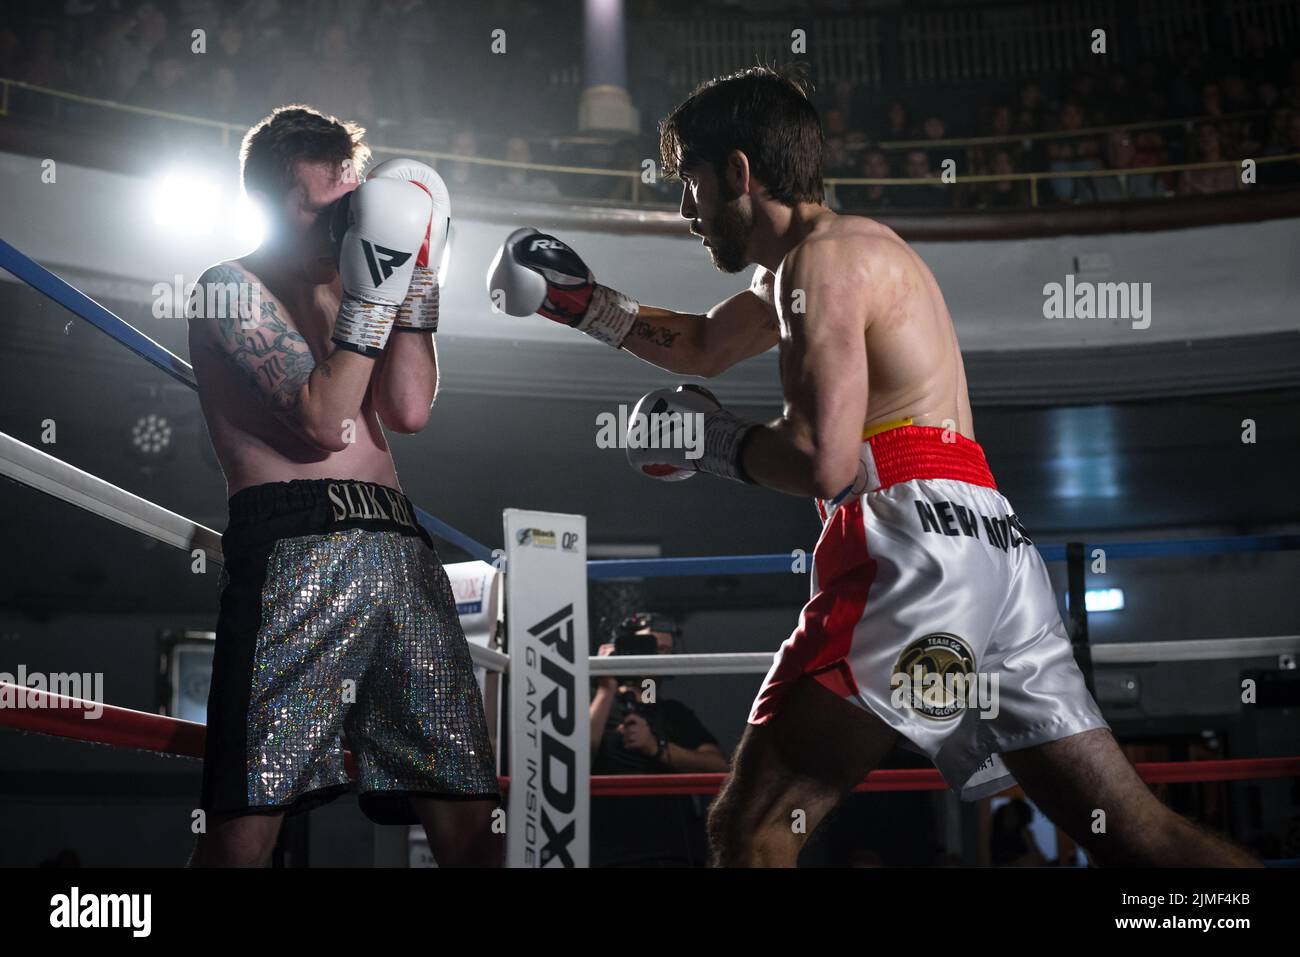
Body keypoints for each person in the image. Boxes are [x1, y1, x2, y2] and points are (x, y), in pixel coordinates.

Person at [485, 65, 1259, 868]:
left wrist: (709, 444)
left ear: (742, 174)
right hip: (993, 552)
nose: (687, 209)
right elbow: (706, 348)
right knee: (1139, 836)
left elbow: (823, 461)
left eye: (695, 182)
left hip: (913, 544)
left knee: (750, 831)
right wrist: (580, 304)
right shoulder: (833, 255)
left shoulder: (820, 269)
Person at [187, 105, 499, 867]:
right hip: (296, 544)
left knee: (468, 810)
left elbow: (411, 409)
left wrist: (414, 273)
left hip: (397, 542)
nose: (351, 217)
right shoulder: (228, 287)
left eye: (356, 200)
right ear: (282, 200)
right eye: (331, 201)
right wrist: (376, 289)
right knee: (247, 822)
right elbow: (324, 420)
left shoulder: (356, 278)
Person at [588, 614, 728, 866]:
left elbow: (718, 766)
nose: (657, 657)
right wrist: (606, 687)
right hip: (609, 855)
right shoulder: (595, 705)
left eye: (665, 650)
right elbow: (575, 758)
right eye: (650, 647)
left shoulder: (676, 714)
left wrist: (657, 747)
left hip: (674, 853)